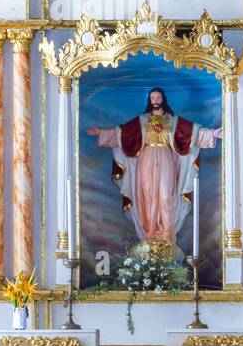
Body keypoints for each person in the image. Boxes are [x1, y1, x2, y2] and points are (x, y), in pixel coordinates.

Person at [87, 87, 221, 253]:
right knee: (148, 196)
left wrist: (213, 133)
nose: (155, 99)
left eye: (158, 96)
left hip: (165, 158)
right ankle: (149, 236)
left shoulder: (173, 120)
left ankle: (166, 237)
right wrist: (100, 132)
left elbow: (192, 132)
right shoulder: (142, 120)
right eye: (152, 97)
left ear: (163, 99)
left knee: (166, 196)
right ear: (149, 100)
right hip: (146, 158)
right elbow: (121, 133)